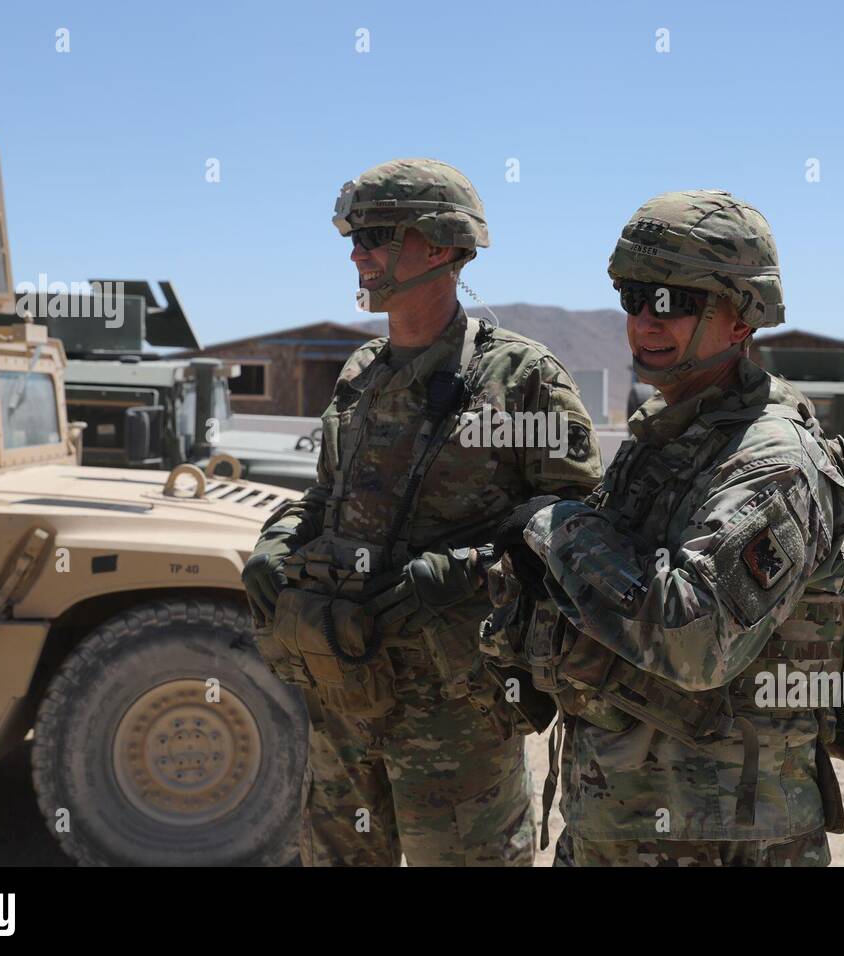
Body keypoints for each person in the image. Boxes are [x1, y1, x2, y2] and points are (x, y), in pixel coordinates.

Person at [483, 189, 844, 867]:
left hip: (726, 840)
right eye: (635, 297)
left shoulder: (772, 461)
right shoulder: (666, 438)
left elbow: (692, 637)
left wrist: (559, 528)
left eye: (675, 301)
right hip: (618, 823)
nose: (646, 321)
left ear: (742, 316)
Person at [243, 158, 602, 866]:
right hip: (346, 681)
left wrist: (464, 574)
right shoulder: (361, 373)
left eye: (375, 234)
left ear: (439, 246)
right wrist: (278, 543)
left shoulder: (520, 379)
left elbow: (579, 526)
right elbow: (325, 495)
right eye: (353, 236)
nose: (356, 253)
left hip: (459, 703)